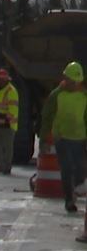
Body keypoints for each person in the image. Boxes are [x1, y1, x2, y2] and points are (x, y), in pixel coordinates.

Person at [40, 61, 86, 212]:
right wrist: (43, 140)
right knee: (66, 169)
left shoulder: (84, 96)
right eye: (72, 81)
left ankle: (76, 189)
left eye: (77, 82)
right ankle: (69, 200)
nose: (74, 85)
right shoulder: (56, 95)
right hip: (62, 138)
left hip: (80, 139)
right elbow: (46, 117)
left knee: (80, 169)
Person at [0, 68, 19, 175]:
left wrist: (7, 121)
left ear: (6, 80)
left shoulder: (11, 91)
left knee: (7, 147)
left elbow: (13, 109)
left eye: (0, 79)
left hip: (7, 125)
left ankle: (7, 167)